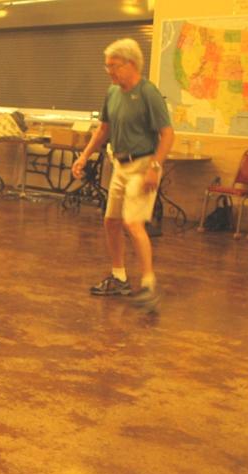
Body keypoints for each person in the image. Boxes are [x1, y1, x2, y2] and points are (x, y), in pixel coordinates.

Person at [70, 38, 174, 311]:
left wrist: (155, 167)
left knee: (132, 223)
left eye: (113, 66)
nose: (109, 71)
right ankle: (119, 277)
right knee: (111, 221)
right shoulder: (112, 93)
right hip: (119, 164)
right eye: (107, 67)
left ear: (130, 64)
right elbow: (103, 129)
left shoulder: (148, 93)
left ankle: (149, 284)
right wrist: (84, 155)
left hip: (143, 164)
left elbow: (167, 134)